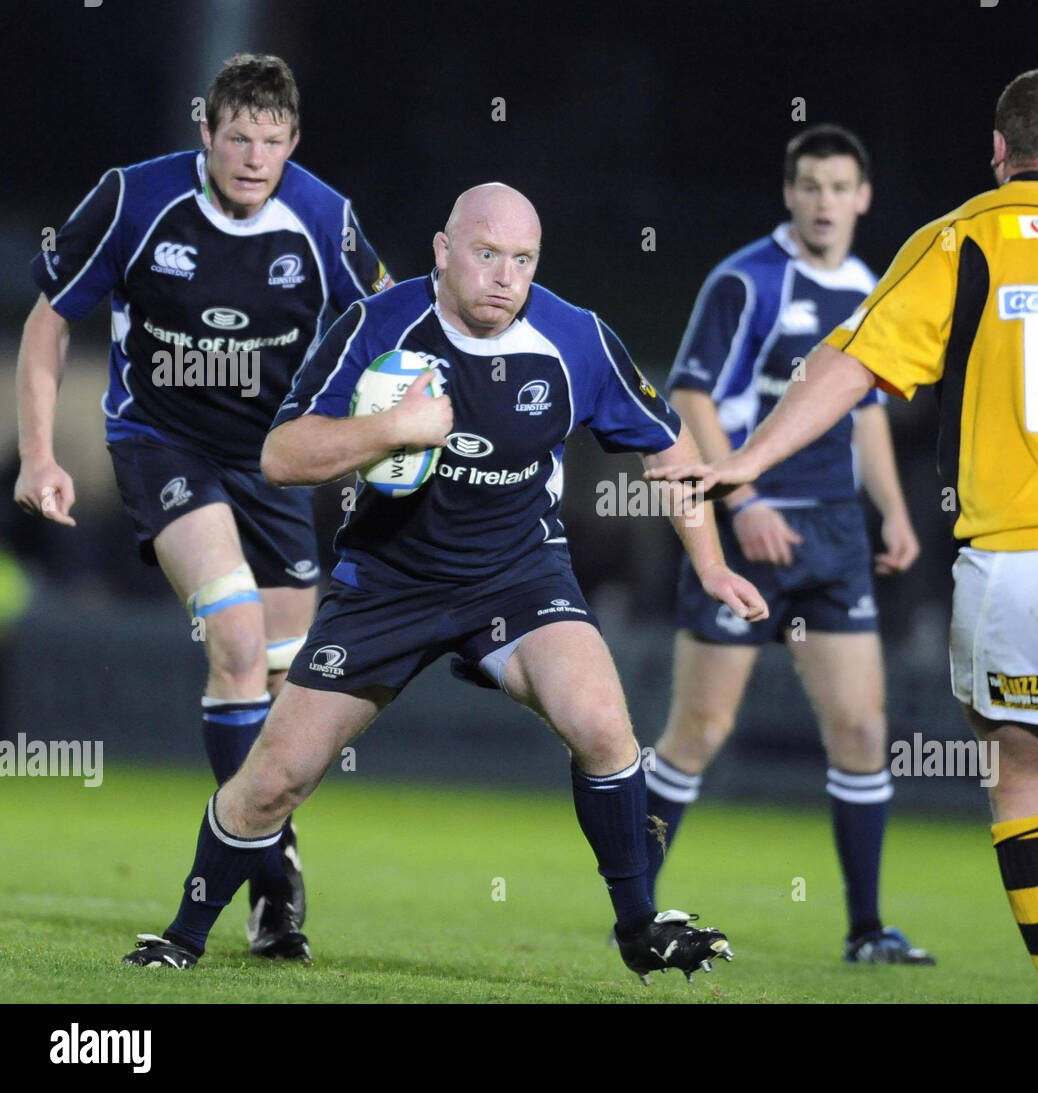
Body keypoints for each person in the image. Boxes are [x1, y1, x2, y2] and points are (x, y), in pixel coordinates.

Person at [648, 68, 1038, 1004]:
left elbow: (853, 363)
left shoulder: (965, 236)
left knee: (1027, 771)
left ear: (998, 152)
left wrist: (749, 457)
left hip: (1026, 554)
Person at [118, 182, 768, 982]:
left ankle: (639, 925)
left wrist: (710, 562)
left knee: (604, 725)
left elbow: (667, 450)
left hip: (518, 577)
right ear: (442, 250)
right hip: (387, 582)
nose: (504, 276)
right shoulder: (376, 324)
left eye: (522, 260)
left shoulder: (577, 339)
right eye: (487, 254)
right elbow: (282, 455)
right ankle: (181, 936)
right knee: (274, 779)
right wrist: (395, 428)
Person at [15, 54, 394, 963]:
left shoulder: (325, 218)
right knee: (232, 637)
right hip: (162, 444)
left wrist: (391, 436)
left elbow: (389, 324)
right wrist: (38, 454)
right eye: (237, 138)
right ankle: (269, 880)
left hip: (275, 460)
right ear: (207, 132)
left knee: (289, 686)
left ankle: (272, 841)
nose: (254, 157)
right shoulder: (133, 201)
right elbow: (48, 319)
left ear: (293, 143)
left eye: (272, 141)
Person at [645, 125, 932, 965]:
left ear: (863, 196)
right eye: (810, 185)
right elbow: (690, 393)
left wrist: (895, 510)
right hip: (749, 533)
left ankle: (868, 930)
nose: (824, 201)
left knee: (861, 725)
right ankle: (635, 902)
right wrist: (744, 500)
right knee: (699, 727)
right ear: (789, 192)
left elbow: (867, 408)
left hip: (837, 533)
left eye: (840, 186)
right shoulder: (746, 280)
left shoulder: (870, 287)